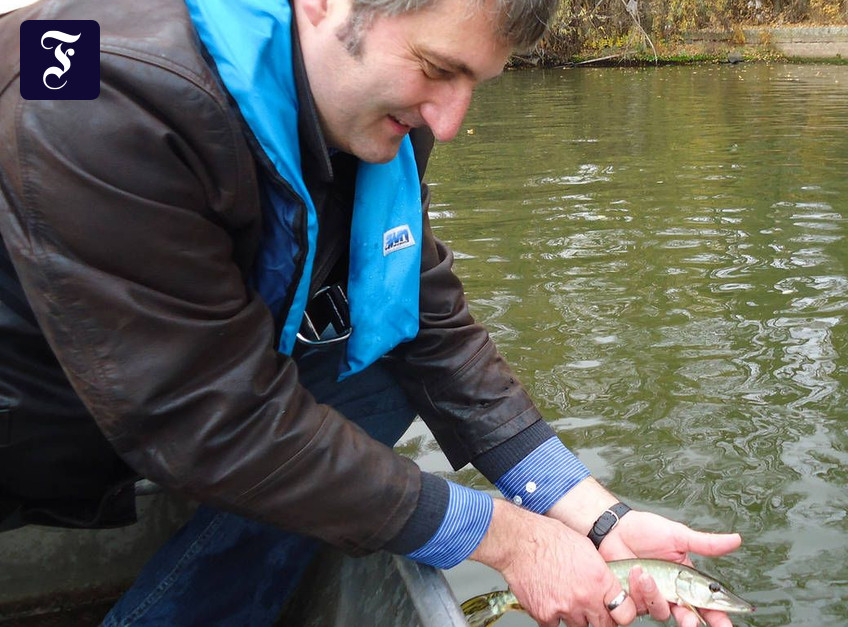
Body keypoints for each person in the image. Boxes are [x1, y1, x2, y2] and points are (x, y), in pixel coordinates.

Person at [0, 0, 743, 625]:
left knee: (382, 367)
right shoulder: (89, 88)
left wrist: (596, 517)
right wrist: (508, 538)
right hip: (35, 422)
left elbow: (423, 317)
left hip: (171, 383)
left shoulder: (376, 111)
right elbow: (207, 415)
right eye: (438, 68)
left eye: (474, 82)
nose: (448, 122)